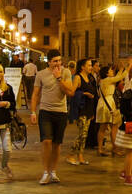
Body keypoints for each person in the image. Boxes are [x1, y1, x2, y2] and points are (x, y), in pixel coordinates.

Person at [30, 50, 76, 184]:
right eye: (55, 61)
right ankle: (45, 172)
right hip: (45, 111)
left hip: (61, 112)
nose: (58, 64)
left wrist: (59, 77)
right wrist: (33, 112)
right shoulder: (41, 74)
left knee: (56, 144)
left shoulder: (65, 72)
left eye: (59, 61)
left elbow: (70, 91)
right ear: (49, 62)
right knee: (46, 141)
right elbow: (35, 94)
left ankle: (53, 171)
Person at [67, 57, 98, 166]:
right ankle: (71, 154)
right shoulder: (78, 78)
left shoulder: (89, 77)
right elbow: (72, 92)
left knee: (85, 135)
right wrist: (84, 94)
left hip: (89, 109)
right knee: (82, 134)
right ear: (82, 67)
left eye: (91, 65)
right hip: (81, 109)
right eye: (89, 65)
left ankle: (80, 156)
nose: (91, 67)